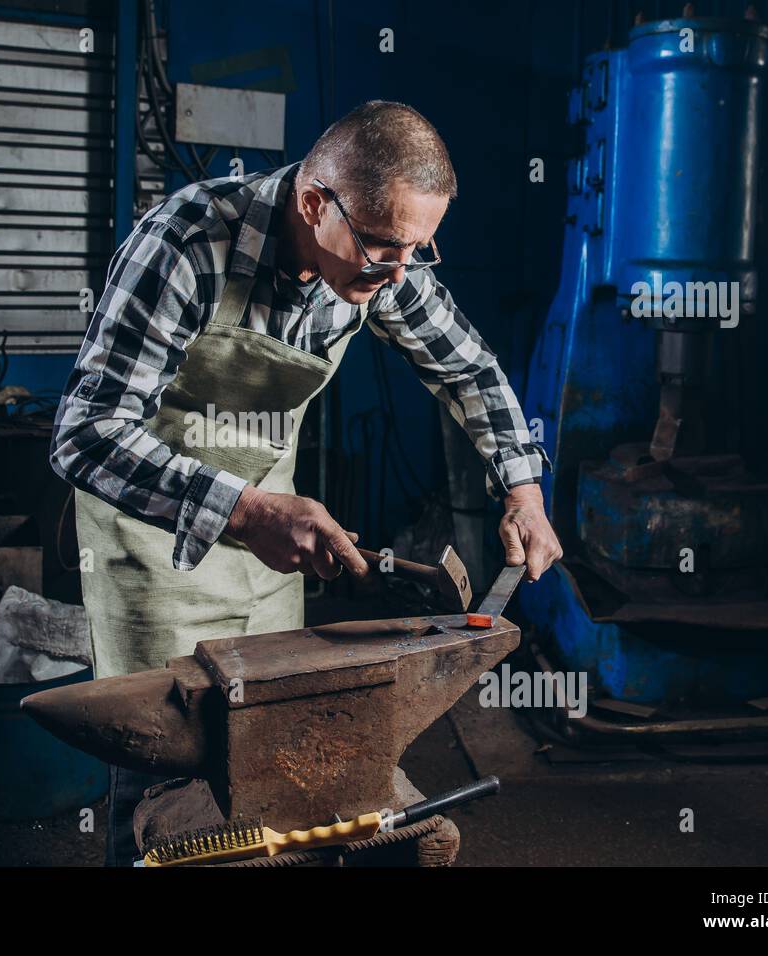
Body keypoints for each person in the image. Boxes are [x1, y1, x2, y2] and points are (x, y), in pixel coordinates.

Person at [50, 100, 563, 865]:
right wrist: (246, 509)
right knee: (167, 792)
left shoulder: (387, 263)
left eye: (420, 249)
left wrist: (522, 489)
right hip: (154, 547)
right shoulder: (186, 245)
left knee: (277, 753)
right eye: (386, 247)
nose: (399, 272)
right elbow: (85, 435)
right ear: (315, 203)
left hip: (270, 550)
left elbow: (471, 369)